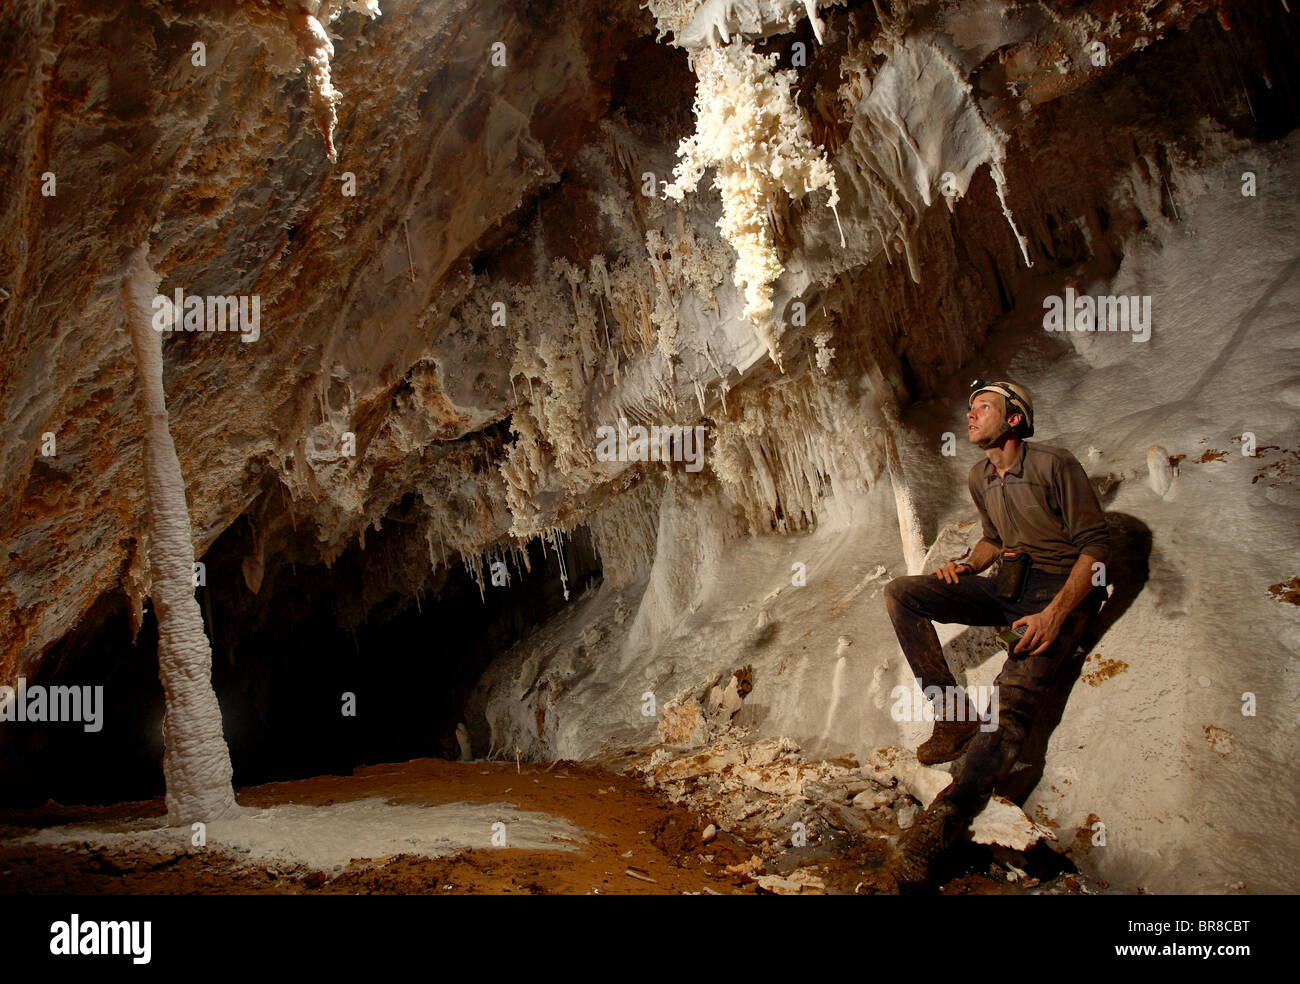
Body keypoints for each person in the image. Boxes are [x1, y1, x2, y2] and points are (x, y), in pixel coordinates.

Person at [881, 378, 1111, 891]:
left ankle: (945, 822)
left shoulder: (1054, 464)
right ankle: (952, 713)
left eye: (982, 407)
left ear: (1014, 420)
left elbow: (1097, 546)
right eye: (969, 407)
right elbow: (993, 538)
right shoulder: (980, 476)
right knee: (902, 593)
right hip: (1006, 585)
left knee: (1009, 710)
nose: (970, 415)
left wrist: (1054, 615)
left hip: (1057, 593)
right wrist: (965, 565)